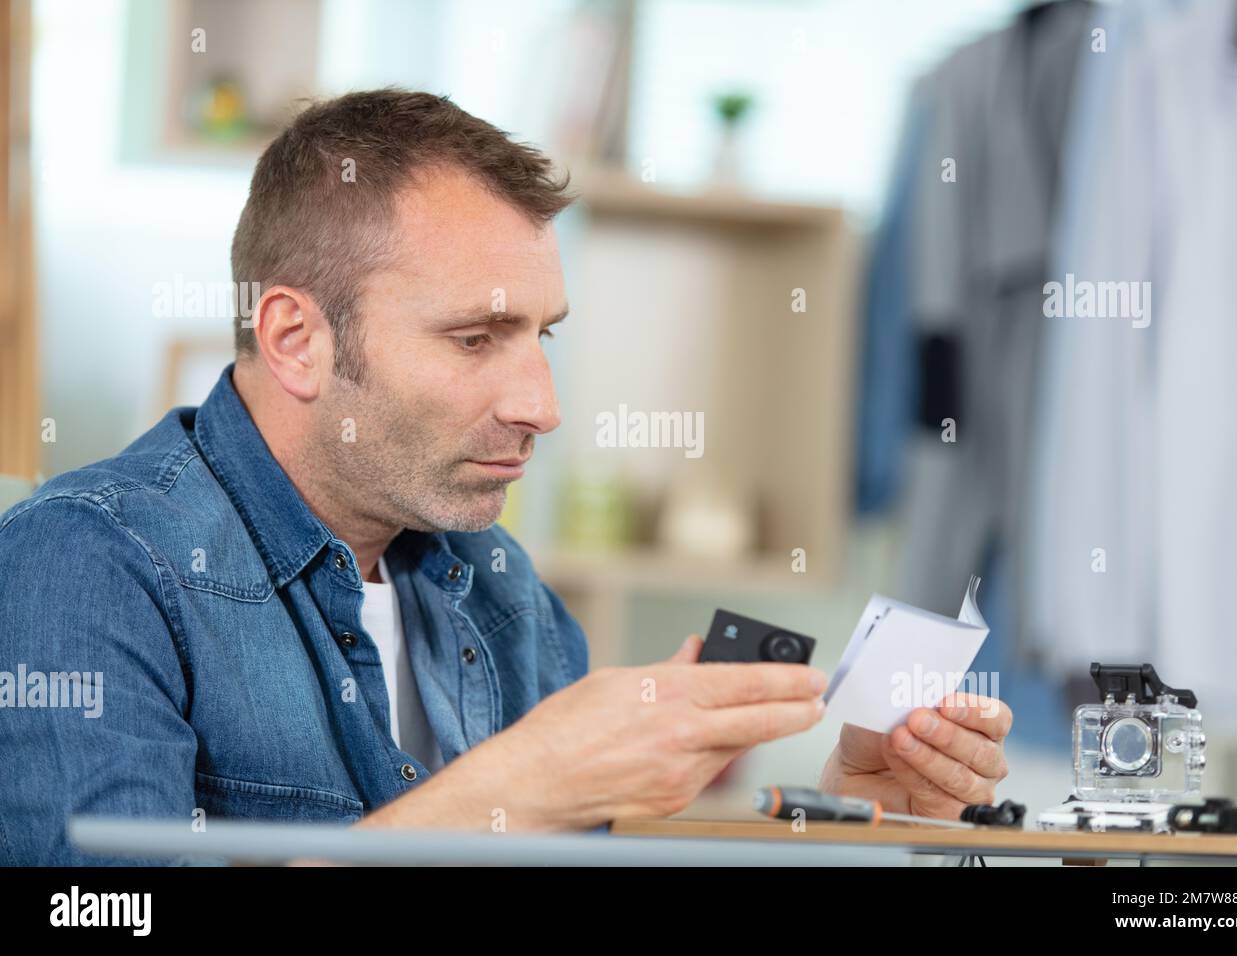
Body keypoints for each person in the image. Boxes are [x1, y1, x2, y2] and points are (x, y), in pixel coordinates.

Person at [0, 90, 1010, 864]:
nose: (541, 403)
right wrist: (516, 785)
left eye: (542, 336)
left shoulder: (499, 587)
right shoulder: (85, 565)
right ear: (296, 340)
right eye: (476, 337)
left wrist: (856, 807)